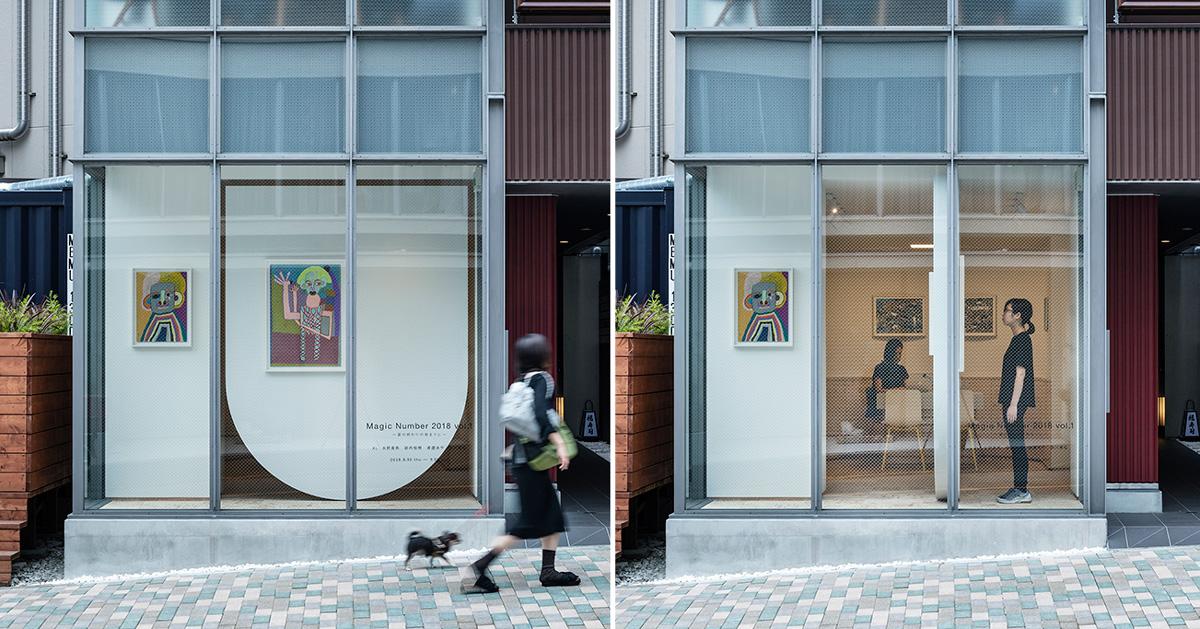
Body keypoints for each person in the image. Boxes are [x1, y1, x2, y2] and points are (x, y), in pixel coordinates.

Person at [468, 334, 580, 593]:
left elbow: (520, 424)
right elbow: (541, 414)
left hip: (524, 461)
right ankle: (481, 565)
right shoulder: (542, 379)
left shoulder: (520, 382)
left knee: (551, 516)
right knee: (527, 524)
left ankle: (548, 571)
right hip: (532, 464)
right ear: (542, 356)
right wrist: (560, 445)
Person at [997, 299, 1036, 504]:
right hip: (1014, 400)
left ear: (1018, 315)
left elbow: (1020, 374)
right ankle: (1020, 488)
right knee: (1016, 444)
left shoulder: (1022, 340)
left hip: (1016, 401)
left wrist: (1013, 404)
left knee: (1017, 444)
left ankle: (1021, 490)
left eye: (1007, 310)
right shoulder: (1018, 339)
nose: (1003, 314)